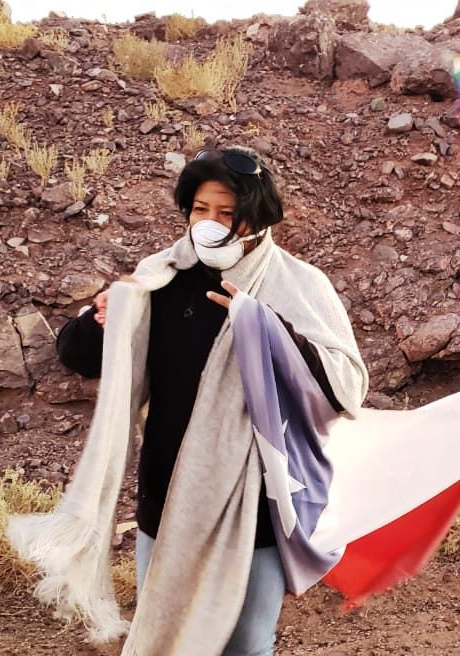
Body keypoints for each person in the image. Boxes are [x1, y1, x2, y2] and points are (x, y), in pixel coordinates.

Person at [54, 146, 368, 656]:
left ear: (257, 216)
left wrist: (266, 326)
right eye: (201, 210)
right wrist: (100, 316)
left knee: (246, 641)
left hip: (259, 498)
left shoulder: (298, 285)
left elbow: (347, 388)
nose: (211, 224)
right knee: (167, 631)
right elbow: (78, 356)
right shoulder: (161, 278)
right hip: (170, 488)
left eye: (227, 212)